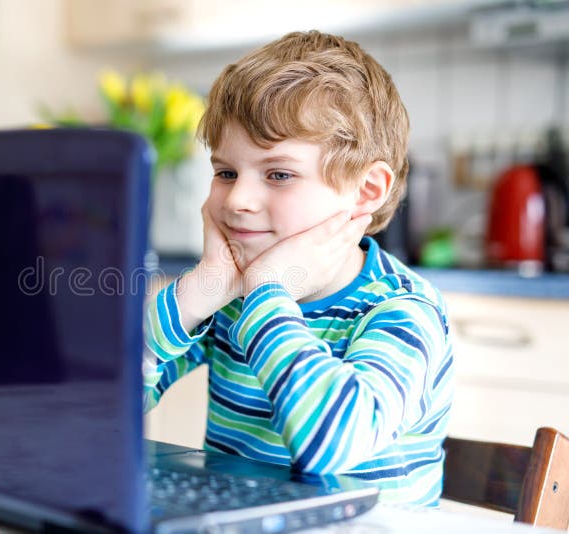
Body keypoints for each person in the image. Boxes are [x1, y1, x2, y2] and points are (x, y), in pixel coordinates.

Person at [143, 30, 455, 506]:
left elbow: (331, 444)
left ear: (367, 191)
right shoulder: (228, 298)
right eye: (226, 172)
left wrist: (270, 292)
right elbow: (98, 405)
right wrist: (200, 291)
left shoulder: (402, 311)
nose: (239, 200)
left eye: (279, 174)